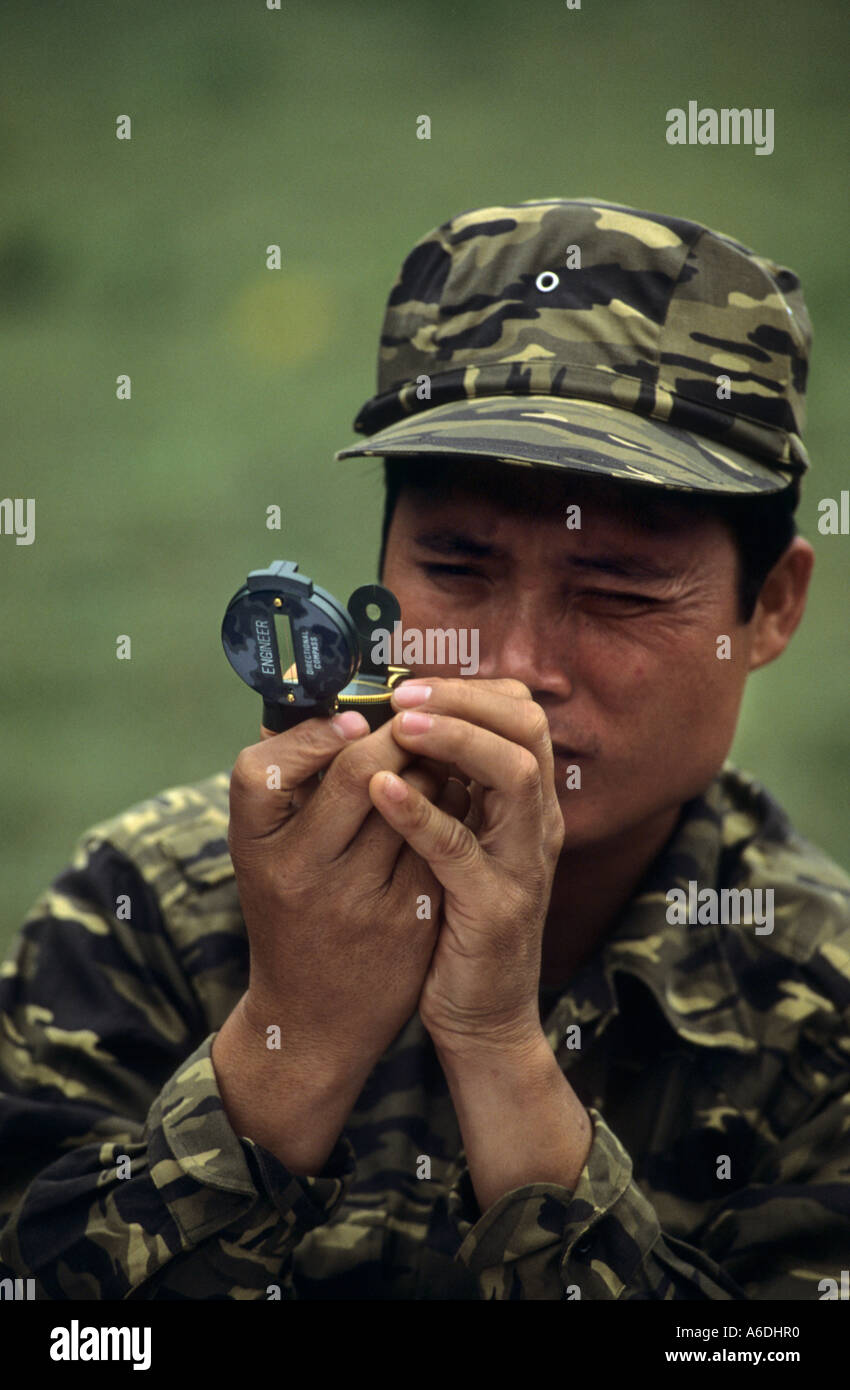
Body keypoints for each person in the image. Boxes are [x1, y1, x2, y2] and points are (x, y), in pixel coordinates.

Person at [1, 198, 848, 1301]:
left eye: (619, 590)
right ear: (379, 568)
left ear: (771, 606)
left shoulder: (817, 1011)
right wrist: (286, 1041)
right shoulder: (150, 909)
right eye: (454, 567)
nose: (515, 662)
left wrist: (500, 1054)